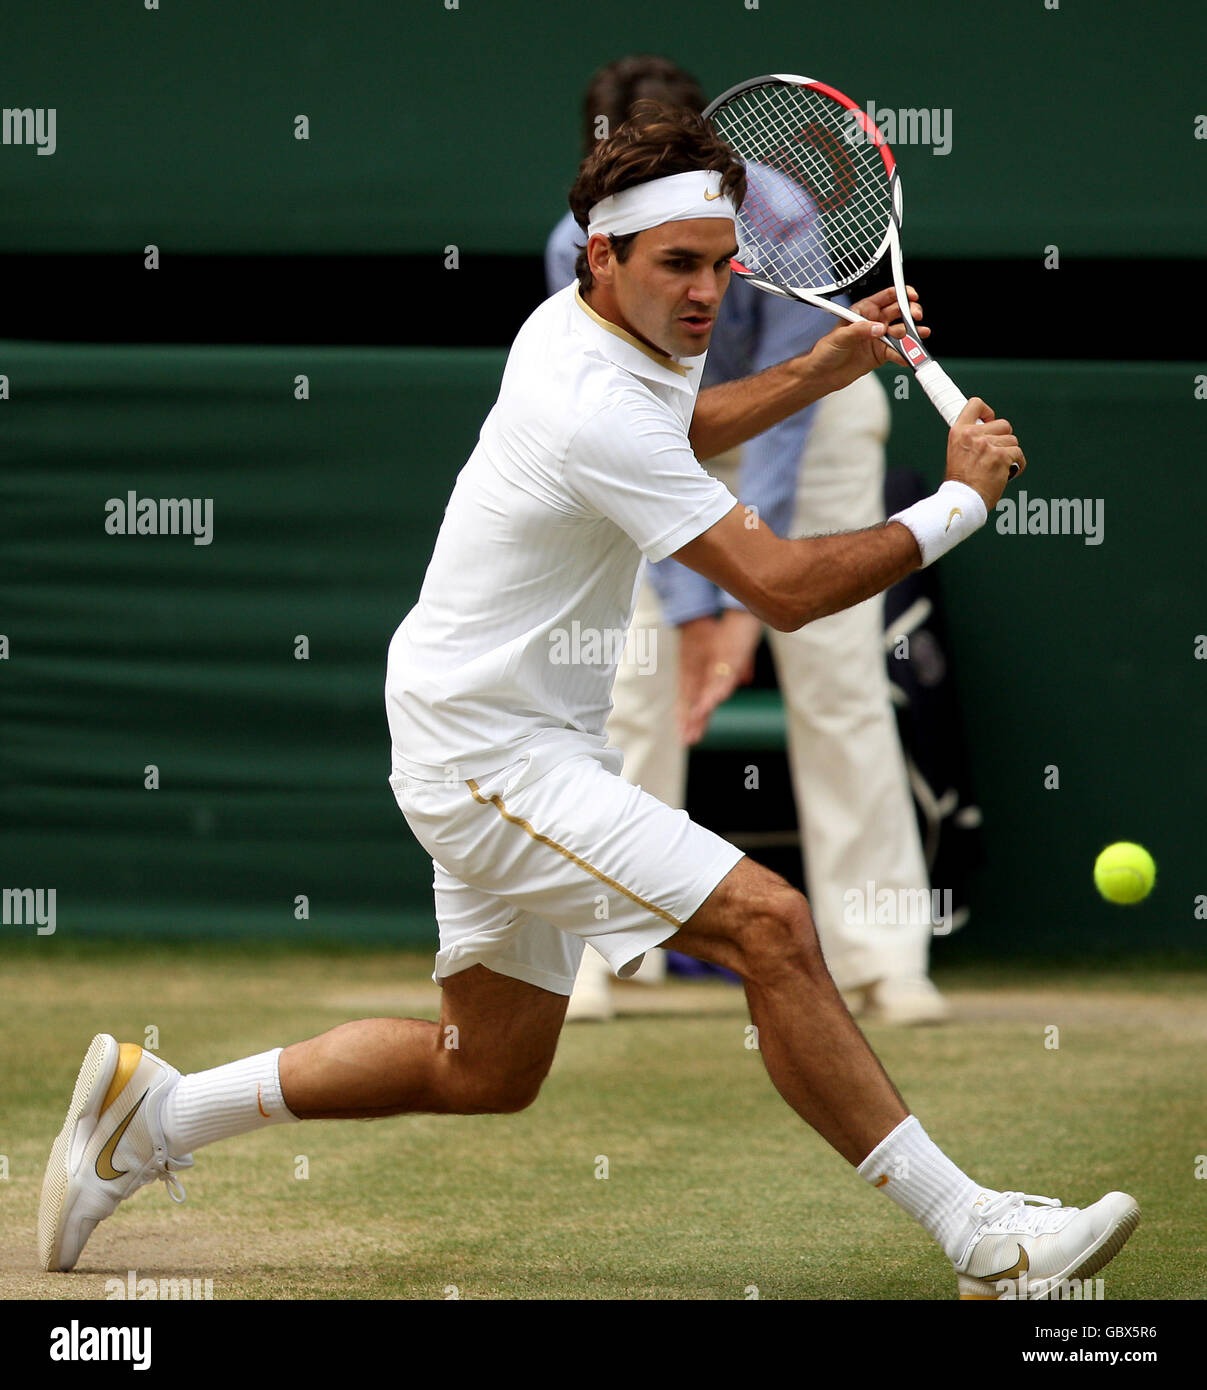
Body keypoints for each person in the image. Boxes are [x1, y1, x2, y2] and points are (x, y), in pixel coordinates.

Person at [38, 103, 1138, 1299]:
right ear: (600, 255)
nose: (708, 293)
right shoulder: (592, 398)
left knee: (485, 1069)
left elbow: (679, 430)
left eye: (723, 265)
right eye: (677, 266)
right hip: (490, 755)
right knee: (768, 925)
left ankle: (154, 1116)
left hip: (489, 727)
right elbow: (775, 588)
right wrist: (956, 505)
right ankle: (986, 1236)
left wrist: (819, 367)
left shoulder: (585, 335)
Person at [546, 56, 947, 1025]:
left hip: (807, 424)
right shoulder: (575, 245)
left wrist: (741, 602)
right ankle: (600, 951)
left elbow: (789, 400)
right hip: (663, 429)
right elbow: (629, 440)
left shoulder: (784, 220)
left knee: (836, 675)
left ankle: (884, 956)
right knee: (626, 681)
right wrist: (693, 612)